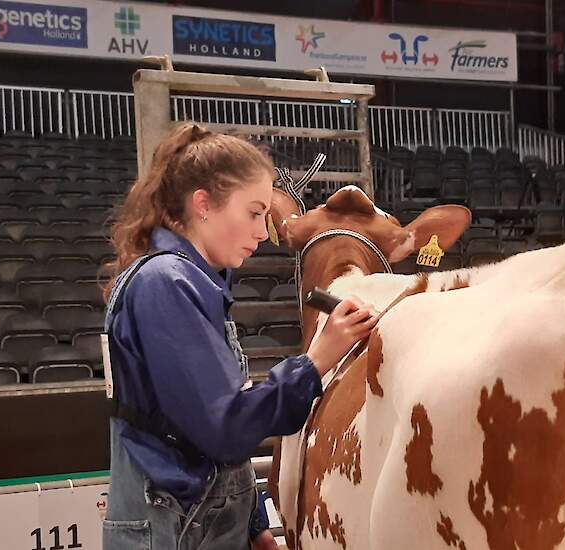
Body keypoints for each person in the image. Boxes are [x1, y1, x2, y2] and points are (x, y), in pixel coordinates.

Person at [100, 122, 378, 549]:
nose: (263, 233)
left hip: (198, 523)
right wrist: (316, 361)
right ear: (203, 205)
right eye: (253, 212)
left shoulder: (193, 281)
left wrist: (252, 523)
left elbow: (205, 427)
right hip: (174, 530)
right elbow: (224, 427)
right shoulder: (166, 283)